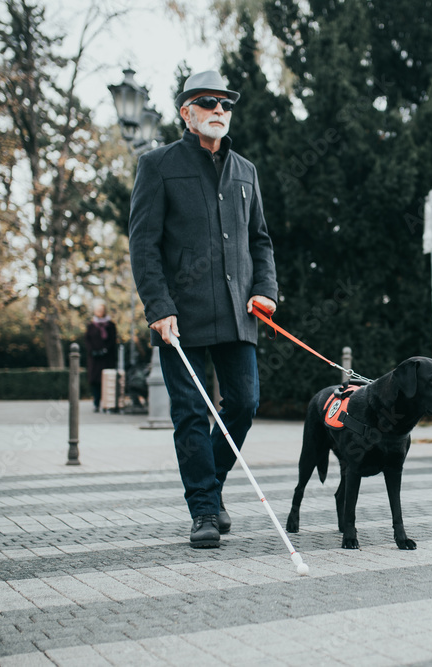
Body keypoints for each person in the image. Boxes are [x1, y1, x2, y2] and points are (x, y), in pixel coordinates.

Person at [128, 70, 278, 549]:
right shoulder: (157, 166)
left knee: (245, 404)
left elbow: (260, 240)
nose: (219, 110)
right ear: (186, 113)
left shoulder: (246, 171)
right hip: (180, 316)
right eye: (208, 102)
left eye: (226, 104)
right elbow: (143, 245)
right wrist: (158, 306)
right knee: (191, 412)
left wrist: (266, 289)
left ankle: (209, 486)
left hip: (238, 312)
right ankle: (204, 510)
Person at [84, 301, 118, 413]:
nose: (99, 312)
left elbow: (113, 340)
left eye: (101, 310)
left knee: (107, 381)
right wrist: (93, 351)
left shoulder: (111, 325)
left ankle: (107, 404)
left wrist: (105, 350)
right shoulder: (91, 325)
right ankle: (96, 403)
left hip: (107, 358)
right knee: (95, 381)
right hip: (94, 359)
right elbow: (87, 340)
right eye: (98, 310)